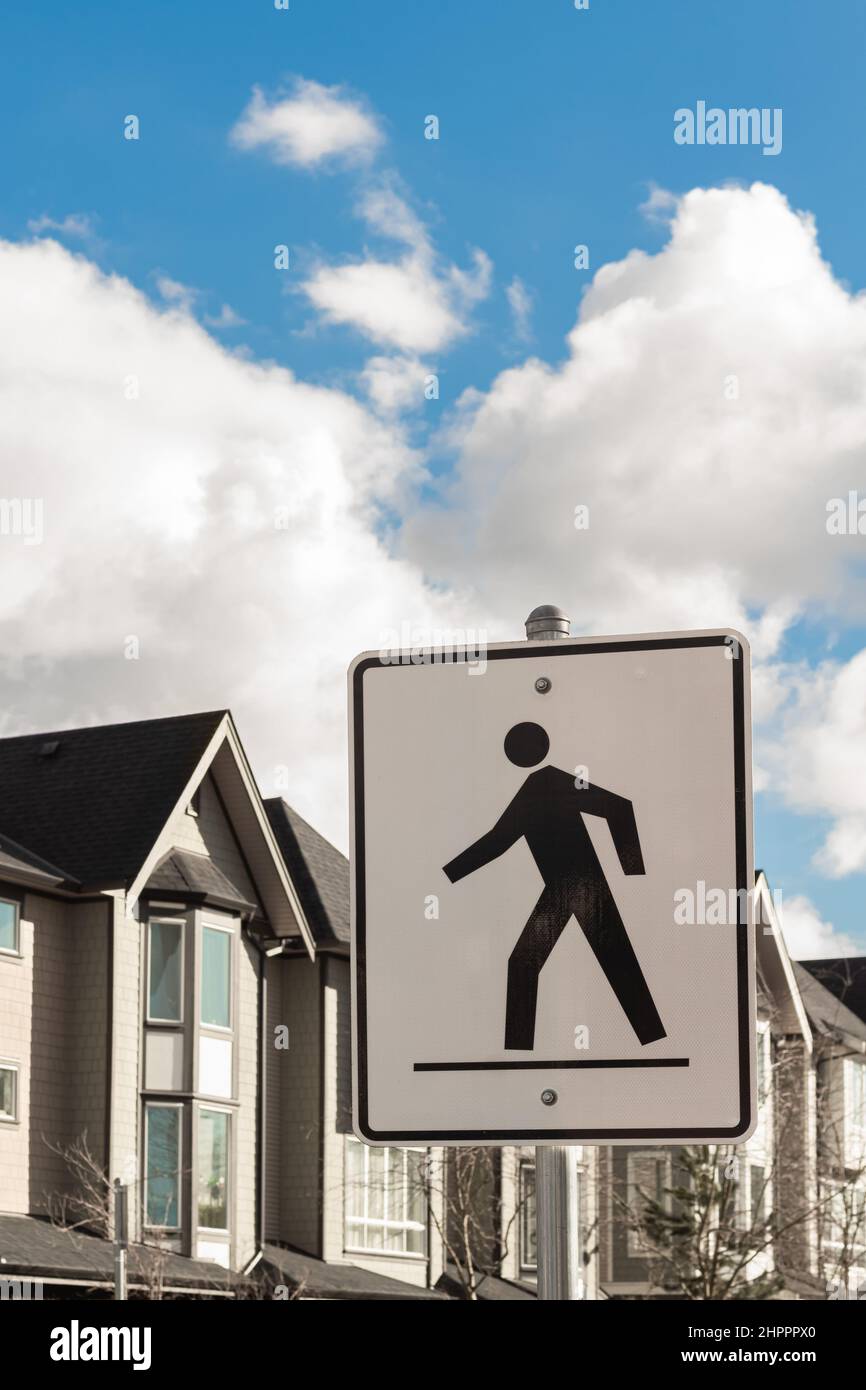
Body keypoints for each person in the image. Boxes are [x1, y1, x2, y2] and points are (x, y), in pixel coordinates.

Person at [443, 721, 666, 1050]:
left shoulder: (550, 781)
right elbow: (499, 841)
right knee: (529, 963)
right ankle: (519, 1053)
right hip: (561, 889)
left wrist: (633, 872)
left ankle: (654, 1041)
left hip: (586, 887)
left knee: (612, 962)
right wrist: (449, 873)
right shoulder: (532, 789)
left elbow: (618, 807)